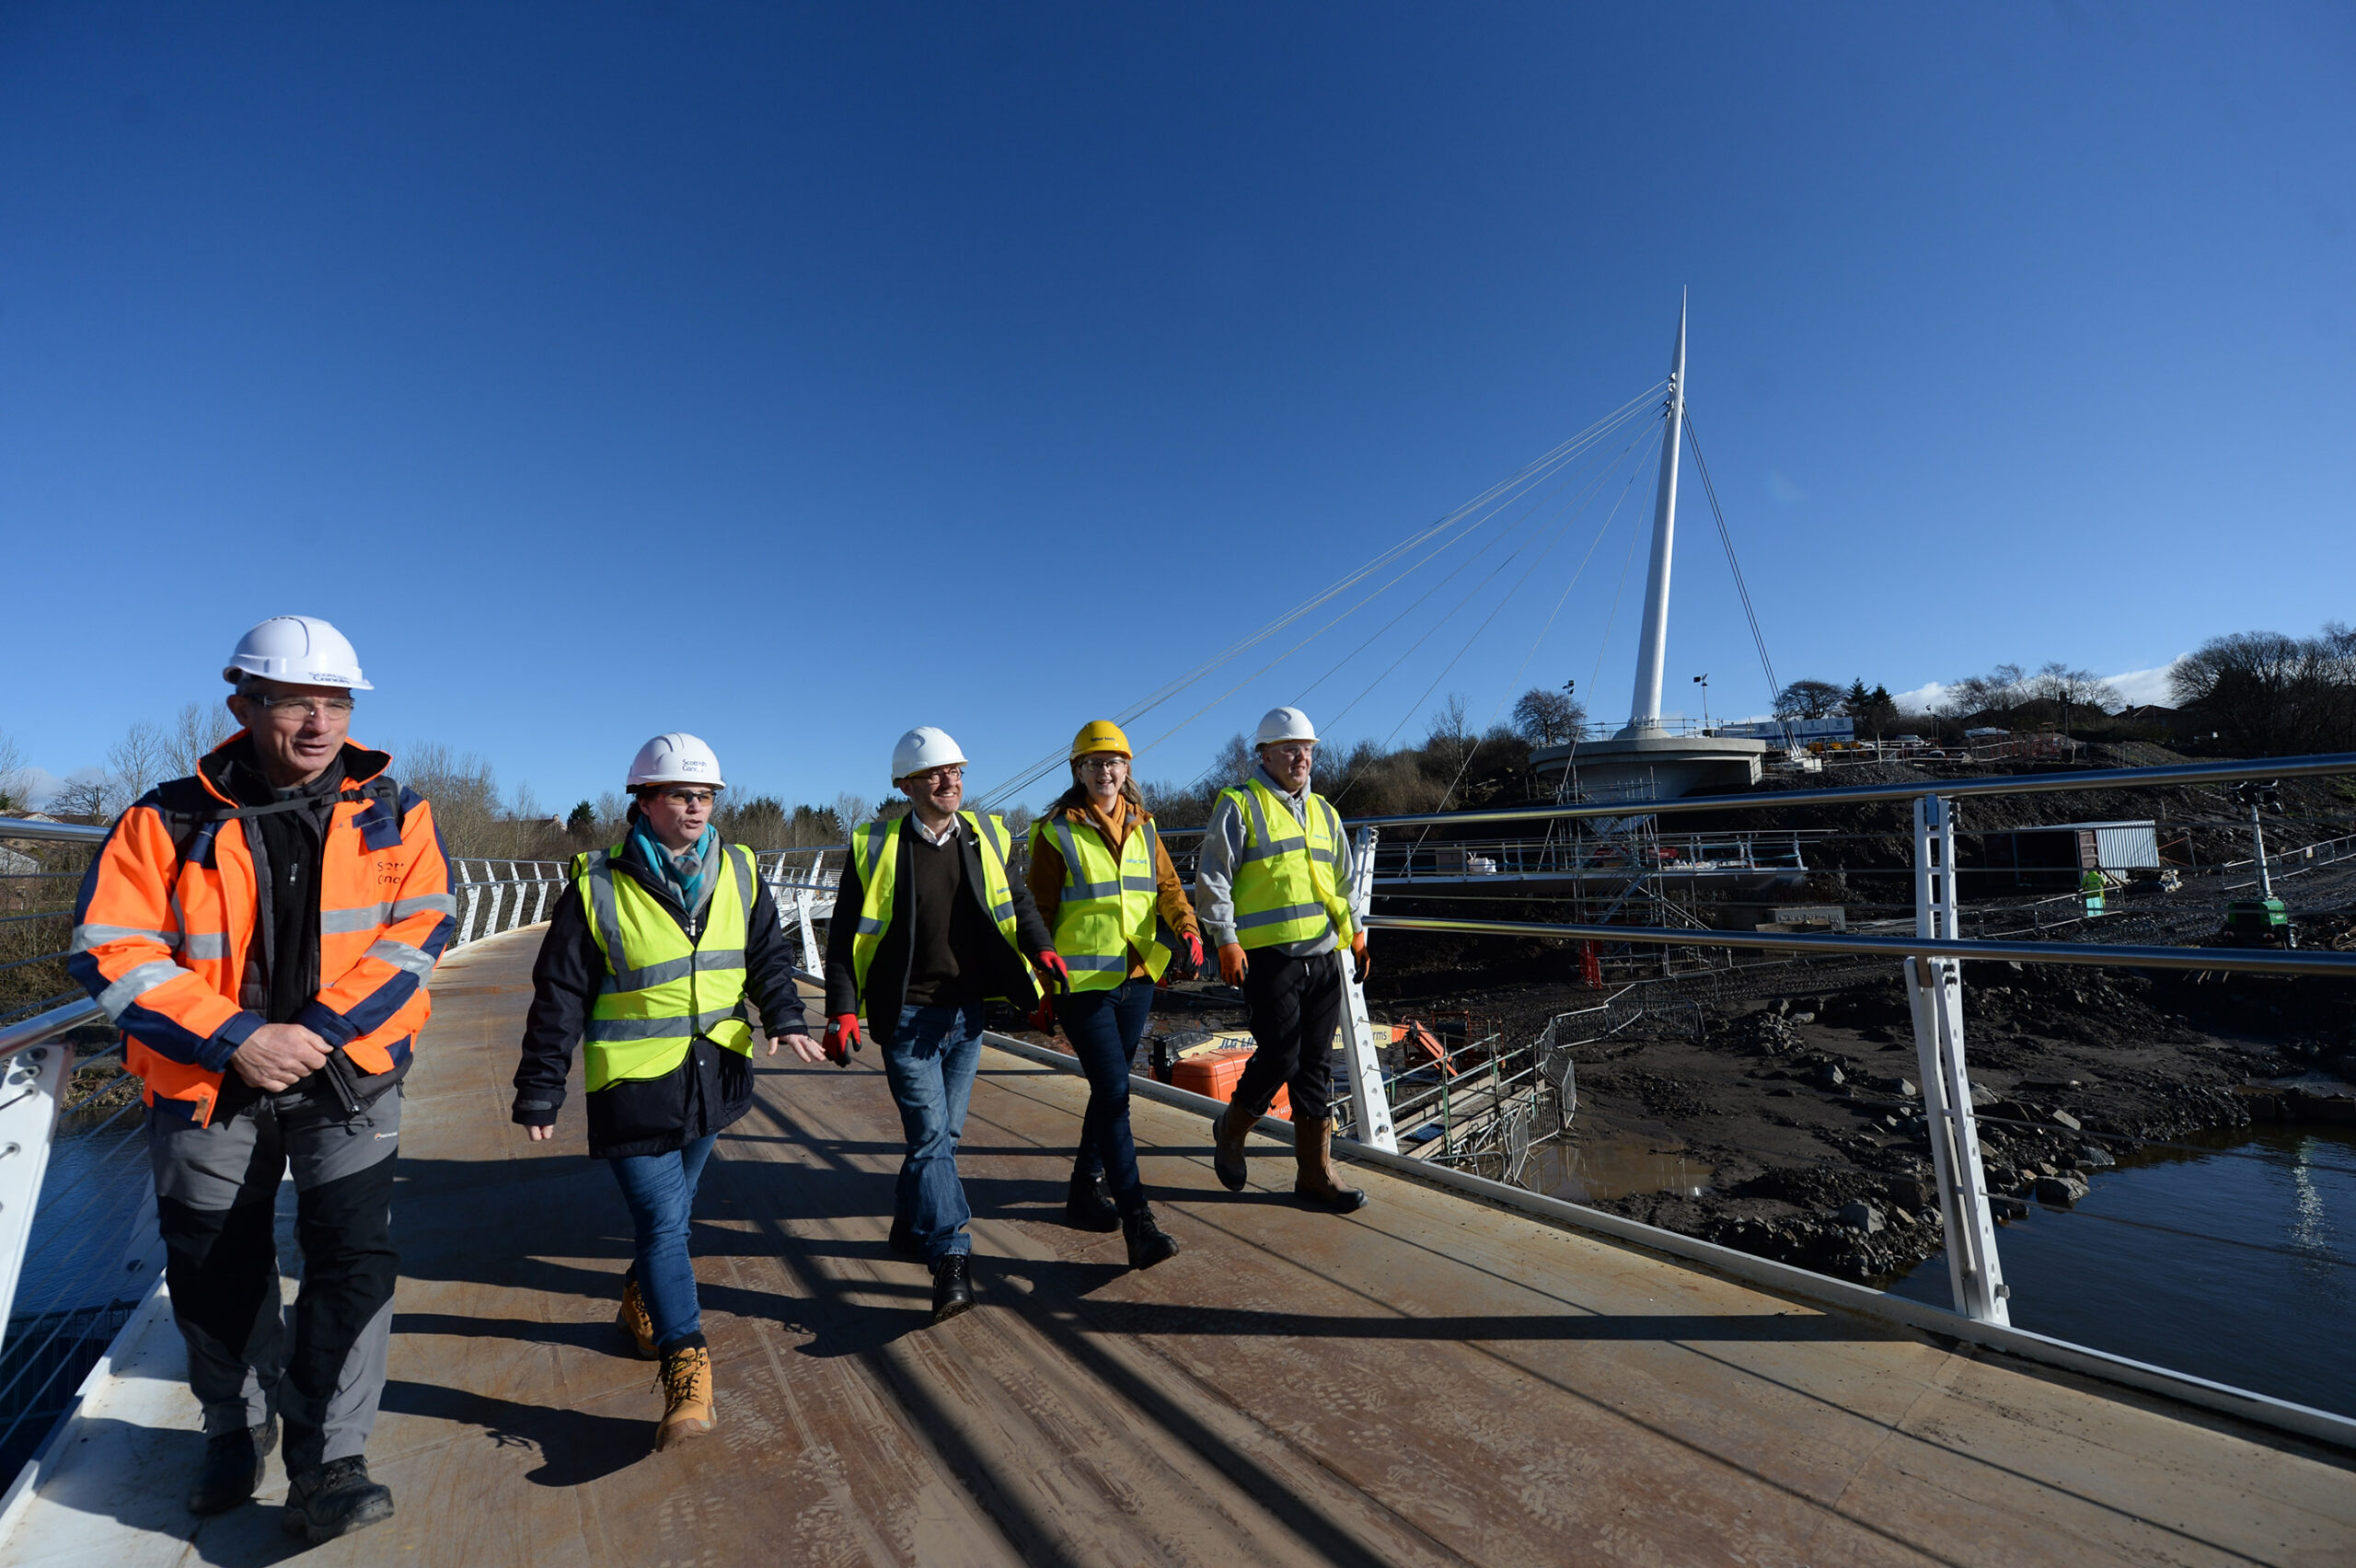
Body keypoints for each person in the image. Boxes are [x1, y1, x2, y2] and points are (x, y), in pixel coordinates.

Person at [68, 616, 451, 1543]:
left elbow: (420, 930)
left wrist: (314, 1031)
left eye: (335, 703)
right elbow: (109, 947)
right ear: (244, 705)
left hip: (346, 1074)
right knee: (214, 1265)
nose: (319, 723)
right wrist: (237, 1037)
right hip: (208, 1079)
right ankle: (235, 1428)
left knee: (352, 1261)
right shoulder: (164, 817)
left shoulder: (397, 811)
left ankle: (330, 1460)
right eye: (295, 703)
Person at [511, 733, 820, 1451]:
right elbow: (558, 994)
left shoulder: (740, 869)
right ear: (643, 801)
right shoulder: (596, 885)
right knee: (663, 1223)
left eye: (705, 795)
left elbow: (768, 954)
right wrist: (540, 1088)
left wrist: (786, 1016)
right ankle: (687, 1365)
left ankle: (639, 1295)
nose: (695, 807)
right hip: (633, 1085)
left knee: (672, 1218)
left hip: (714, 1075)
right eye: (681, 794)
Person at [822, 727, 1064, 1322]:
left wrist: (1041, 950)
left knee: (942, 1140)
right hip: (906, 1017)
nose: (949, 780)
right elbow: (844, 932)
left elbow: (1018, 903)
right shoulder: (875, 845)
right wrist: (842, 1007)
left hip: (967, 1016)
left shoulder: (983, 836)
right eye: (935, 773)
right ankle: (952, 1255)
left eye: (956, 770)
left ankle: (908, 1228)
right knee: (932, 1139)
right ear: (906, 785)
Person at [1024, 721, 1201, 1268]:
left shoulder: (1145, 827)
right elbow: (1037, 913)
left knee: (1110, 1090)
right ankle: (1138, 1221)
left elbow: (1168, 889)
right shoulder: (1055, 831)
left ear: (1127, 769)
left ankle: (1082, 1192)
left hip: (1138, 976)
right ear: (1078, 771)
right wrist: (1038, 988)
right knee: (1116, 1095)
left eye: (1115, 762)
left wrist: (1189, 928)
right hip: (1082, 985)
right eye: (1094, 763)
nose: (1106, 771)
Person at [1191, 705, 1371, 1213]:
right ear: (1264, 754)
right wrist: (1225, 939)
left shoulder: (1325, 813)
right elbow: (1214, 878)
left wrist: (1356, 933)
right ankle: (1231, 1128)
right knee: (1280, 1056)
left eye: (1307, 749)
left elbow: (1342, 881)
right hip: (1268, 957)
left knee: (1316, 1063)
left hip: (1323, 954)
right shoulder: (1239, 804)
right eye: (1290, 749)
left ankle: (1315, 1174)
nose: (1301, 758)